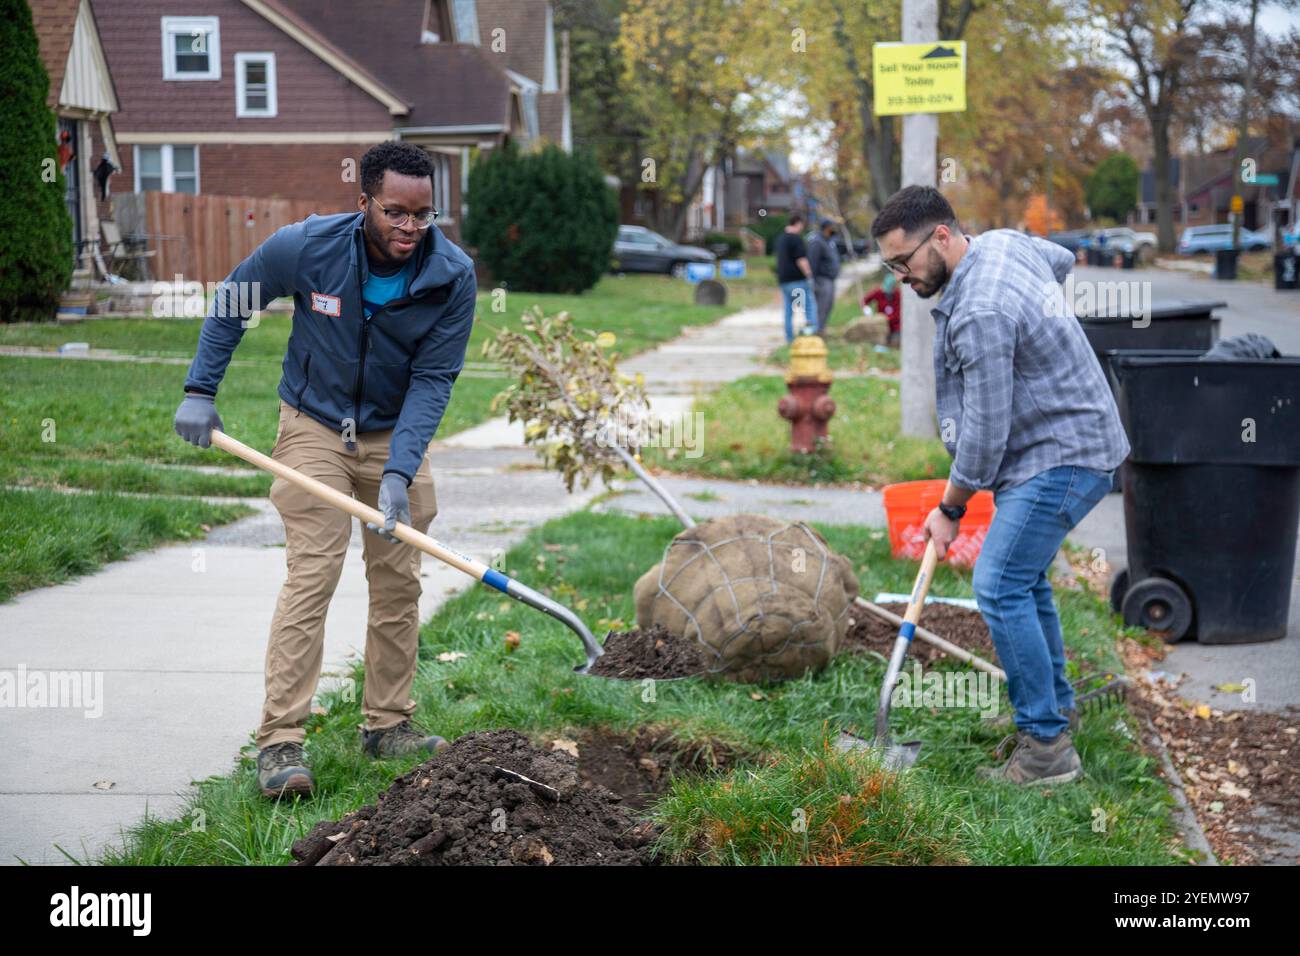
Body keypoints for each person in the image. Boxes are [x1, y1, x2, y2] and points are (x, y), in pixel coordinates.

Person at [173, 142, 478, 799]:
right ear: (363, 201)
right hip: (314, 423)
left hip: (395, 428)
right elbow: (235, 300)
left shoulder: (452, 274)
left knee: (398, 578)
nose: (409, 227)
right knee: (314, 571)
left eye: (423, 215)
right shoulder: (306, 248)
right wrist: (201, 390)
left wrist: (399, 470)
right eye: (395, 212)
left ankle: (387, 725)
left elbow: (433, 378)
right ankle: (281, 743)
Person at [870, 185, 1130, 786]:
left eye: (903, 262)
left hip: (1063, 456)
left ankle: (1045, 749)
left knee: (997, 583)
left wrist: (949, 509)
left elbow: (984, 434)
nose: (900, 278)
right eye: (890, 266)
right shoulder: (1003, 245)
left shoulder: (981, 309)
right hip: (1062, 444)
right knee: (1024, 577)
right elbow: (1058, 261)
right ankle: (1054, 712)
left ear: (940, 237)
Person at [775, 213, 817, 341]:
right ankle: (810, 336)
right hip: (797, 280)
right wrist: (809, 275)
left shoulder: (780, 238)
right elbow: (801, 259)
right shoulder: (795, 239)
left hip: (784, 281)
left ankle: (789, 339)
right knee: (808, 307)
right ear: (798, 223)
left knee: (788, 311)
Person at [807, 218, 841, 335]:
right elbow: (812, 262)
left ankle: (822, 327)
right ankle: (818, 330)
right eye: (832, 227)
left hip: (830, 279)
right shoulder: (817, 242)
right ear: (826, 228)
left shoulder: (829, 241)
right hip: (822, 280)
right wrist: (814, 281)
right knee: (822, 305)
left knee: (828, 304)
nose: (834, 229)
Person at [862, 271, 901, 344]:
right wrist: (866, 308)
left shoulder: (898, 296)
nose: (887, 294)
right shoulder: (879, 293)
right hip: (881, 326)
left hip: (895, 326)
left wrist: (886, 318)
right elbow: (865, 300)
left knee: (895, 342)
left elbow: (898, 314)